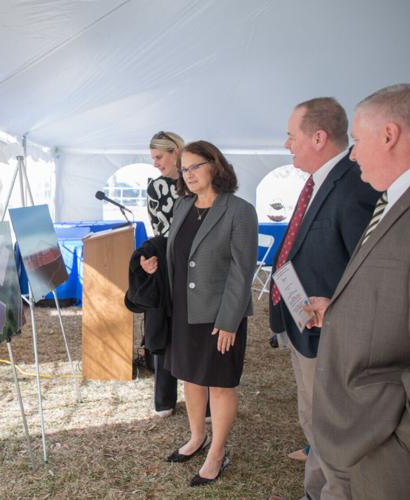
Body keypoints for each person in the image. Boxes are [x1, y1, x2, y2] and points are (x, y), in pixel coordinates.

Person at [306, 83, 410, 498]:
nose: (353, 153)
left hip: (396, 451)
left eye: (357, 140)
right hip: (370, 434)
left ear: (389, 135)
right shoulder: (406, 195)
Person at [269, 97, 377, 498]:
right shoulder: (319, 180)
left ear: (317, 136)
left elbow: (367, 270)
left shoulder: (355, 185)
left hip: (330, 332)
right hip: (306, 328)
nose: (286, 145)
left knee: (329, 425)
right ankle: (316, 490)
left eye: (290, 136)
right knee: (312, 419)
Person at [144, 140, 257, 487]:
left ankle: (217, 452)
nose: (188, 174)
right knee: (190, 379)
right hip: (184, 313)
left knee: (220, 385)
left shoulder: (239, 210)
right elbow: (177, 254)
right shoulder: (182, 207)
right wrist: (152, 265)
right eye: (186, 168)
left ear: (215, 166)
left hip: (219, 315)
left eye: (195, 167)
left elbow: (242, 270)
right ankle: (197, 437)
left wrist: (230, 320)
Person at [144, 130, 184, 417]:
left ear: (175, 151)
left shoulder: (197, 180)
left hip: (197, 267)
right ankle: (164, 399)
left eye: (159, 157)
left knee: (194, 332)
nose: (156, 163)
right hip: (169, 266)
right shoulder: (156, 187)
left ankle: (204, 400)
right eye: (153, 158)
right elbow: (160, 231)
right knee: (164, 331)